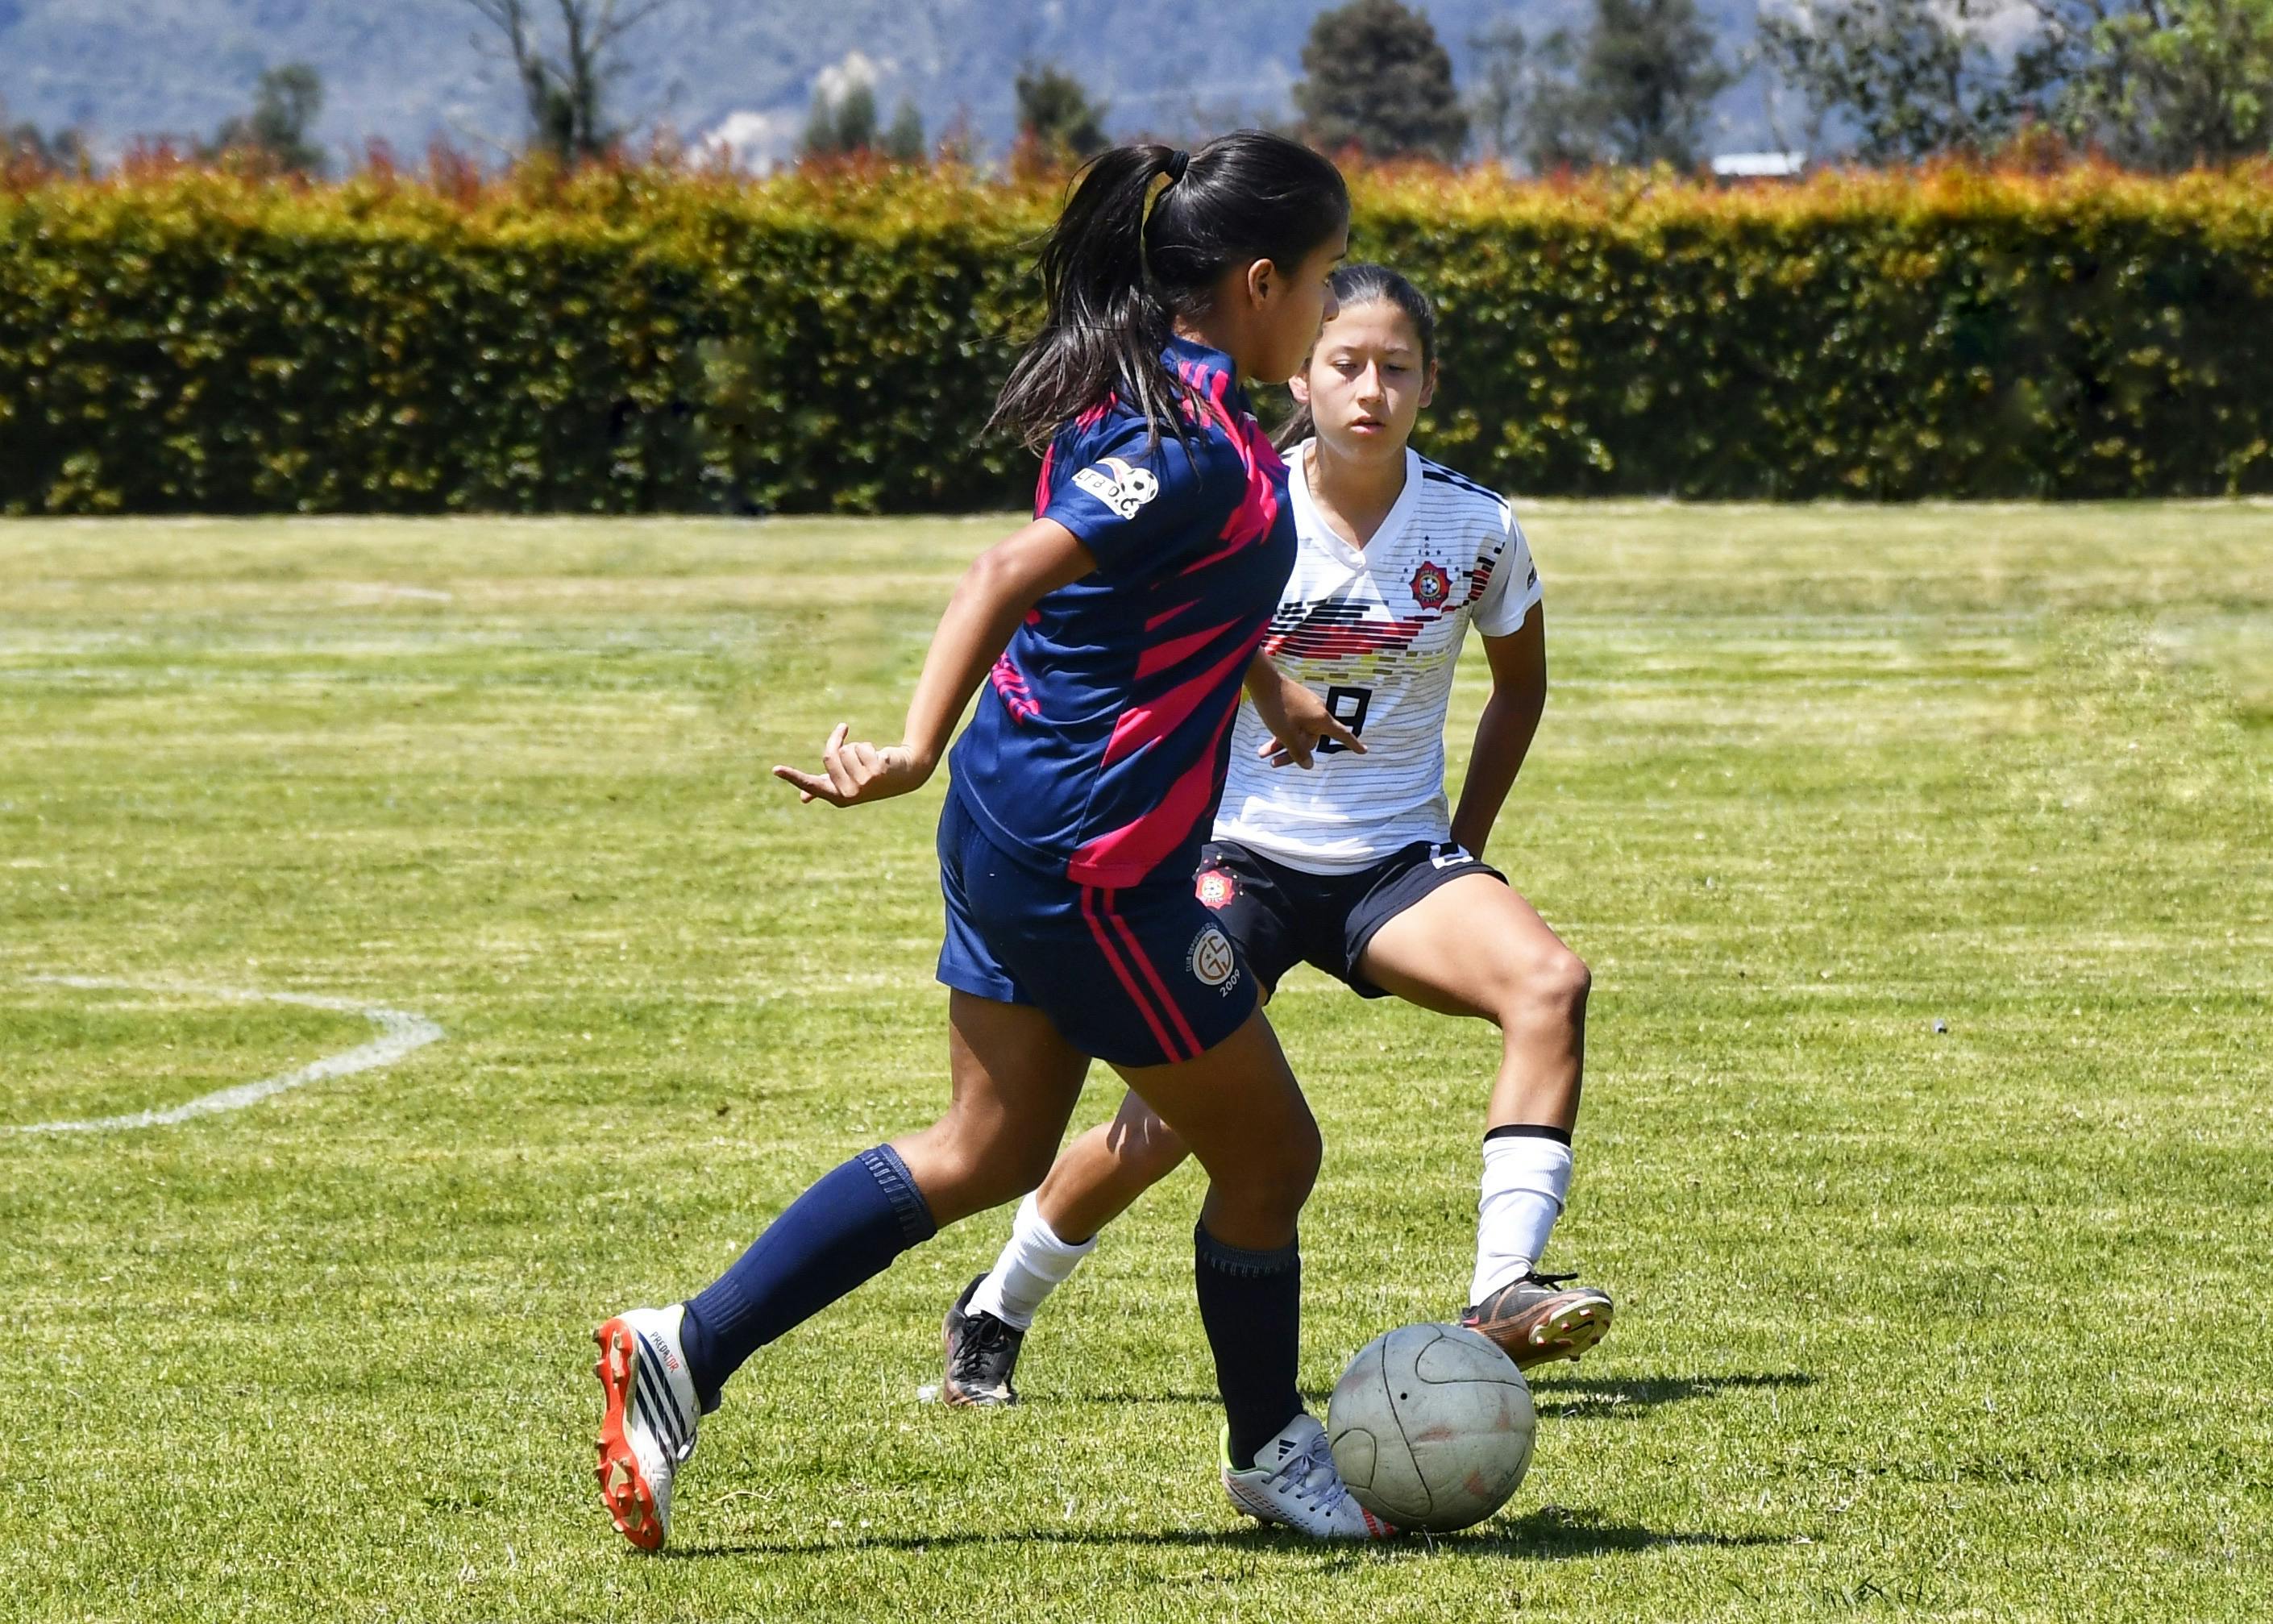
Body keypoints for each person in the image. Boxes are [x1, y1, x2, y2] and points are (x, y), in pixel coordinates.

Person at [588, 131, 1397, 1551]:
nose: (1334, 311)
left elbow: (1154, 596)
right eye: (1325, 281)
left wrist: (1259, 684)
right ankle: (1272, 1447)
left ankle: (683, 1348)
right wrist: (905, 742)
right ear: (1260, 280)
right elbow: (1009, 570)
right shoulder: (1181, 433)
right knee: (1270, 1155)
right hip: (1094, 860)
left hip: (1026, 818)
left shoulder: (1159, 393)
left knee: (991, 1141)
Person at [939, 265, 1610, 1410]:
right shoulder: (1243, 504)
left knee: (1550, 982)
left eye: (1398, 368)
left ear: (1431, 383)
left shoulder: (1478, 525)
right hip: (1230, 858)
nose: (1372, 389)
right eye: (1347, 363)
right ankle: (998, 1304)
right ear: (1300, 372)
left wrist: (1463, 847)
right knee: (1163, 1129)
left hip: (1393, 865)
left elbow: (1521, 688)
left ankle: (1501, 1289)